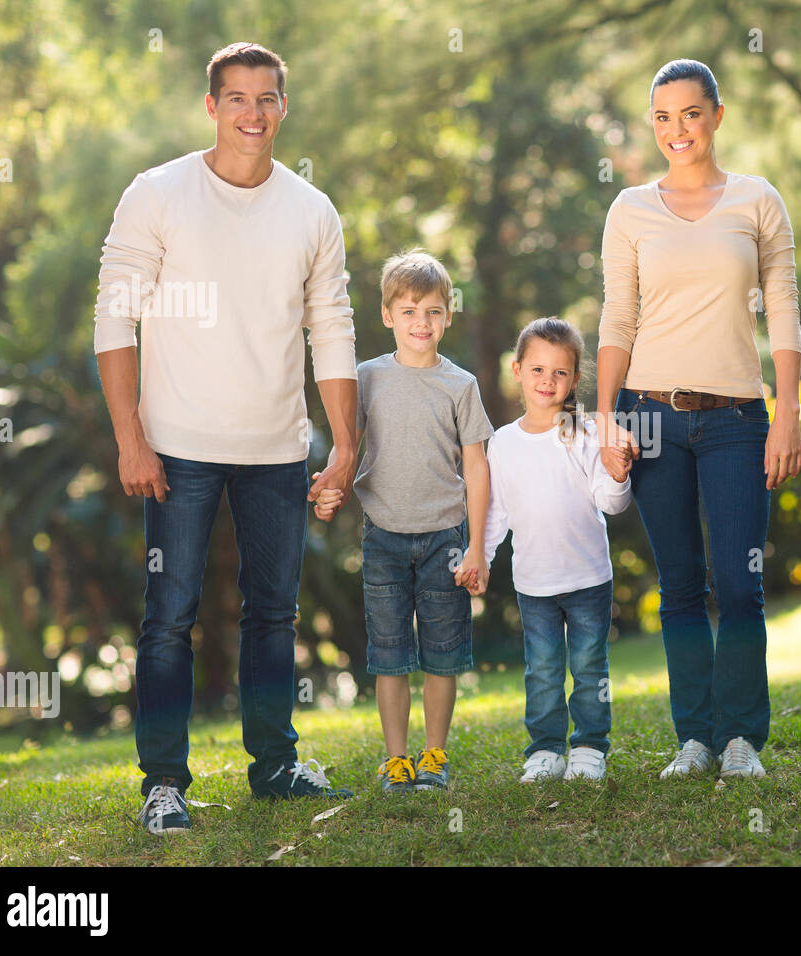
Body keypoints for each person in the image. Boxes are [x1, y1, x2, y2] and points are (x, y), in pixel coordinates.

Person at [94, 42, 358, 836]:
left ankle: (275, 767)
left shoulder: (313, 210)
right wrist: (130, 438)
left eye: (266, 98)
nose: (252, 113)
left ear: (284, 106)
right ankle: (164, 783)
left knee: (274, 613)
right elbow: (115, 316)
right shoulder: (159, 193)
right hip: (176, 446)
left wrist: (343, 443)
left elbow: (332, 328)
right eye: (236, 98)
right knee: (169, 614)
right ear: (211, 106)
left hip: (278, 448)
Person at [595, 59, 801, 781]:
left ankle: (743, 738)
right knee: (680, 583)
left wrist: (787, 415)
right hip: (649, 417)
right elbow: (617, 319)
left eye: (689, 113)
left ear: (717, 114)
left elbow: (783, 309)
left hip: (739, 419)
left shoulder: (757, 200)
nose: (676, 129)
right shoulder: (629, 210)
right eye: (662, 117)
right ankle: (696, 737)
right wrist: (604, 419)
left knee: (740, 581)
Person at [314, 250, 491, 794]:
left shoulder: (459, 385)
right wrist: (330, 489)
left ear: (448, 316)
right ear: (388, 315)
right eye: (410, 311)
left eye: (434, 312)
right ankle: (397, 760)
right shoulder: (366, 378)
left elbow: (477, 466)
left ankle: (434, 757)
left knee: (442, 654)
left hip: (445, 540)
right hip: (383, 538)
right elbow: (347, 447)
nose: (422, 323)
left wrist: (478, 547)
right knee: (389, 656)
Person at [473, 318, 632, 783]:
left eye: (560, 372)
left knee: (588, 668)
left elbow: (611, 502)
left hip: (588, 580)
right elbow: (495, 514)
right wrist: (478, 557)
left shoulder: (585, 434)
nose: (548, 381)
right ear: (518, 370)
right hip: (534, 585)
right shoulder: (501, 443)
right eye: (538, 369)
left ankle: (589, 747)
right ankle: (544, 750)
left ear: (574, 380)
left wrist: (620, 473)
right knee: (542, 671)